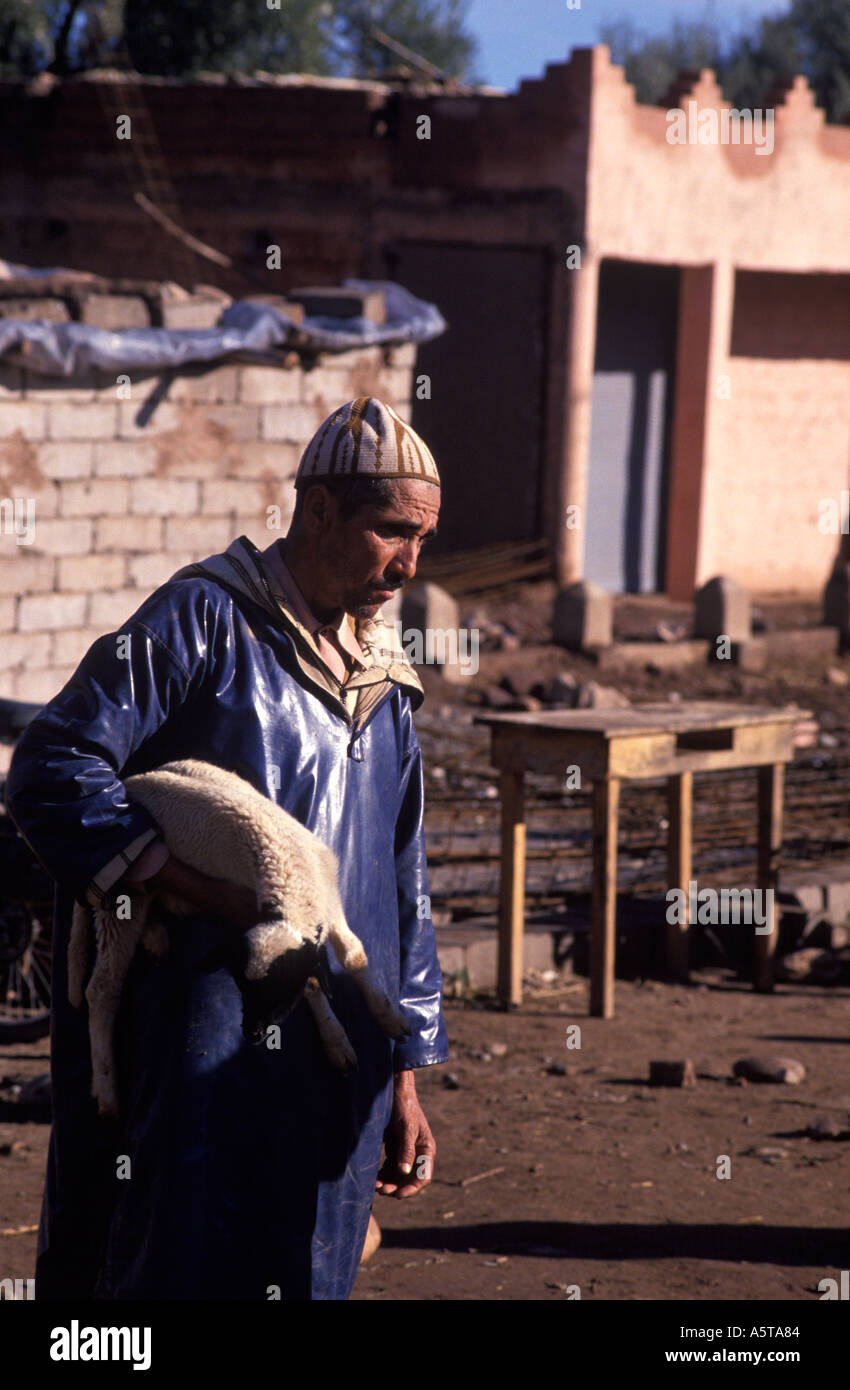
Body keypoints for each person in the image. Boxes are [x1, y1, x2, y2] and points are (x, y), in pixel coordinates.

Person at [6, 395, 448, 1301]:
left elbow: (403, 883)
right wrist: (184, 882)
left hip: (339, 1059)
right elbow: (51, 767)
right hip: (197, 1051)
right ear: (318, 511)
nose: (409, 564)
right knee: (167, 1270)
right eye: (391, 532)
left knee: (311, 1263)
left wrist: (403, 1072)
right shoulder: (203, 619)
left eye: (422, 540)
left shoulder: (383, 676)